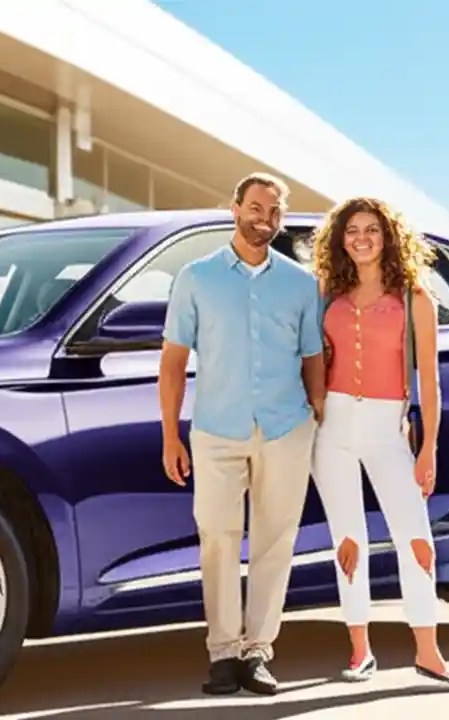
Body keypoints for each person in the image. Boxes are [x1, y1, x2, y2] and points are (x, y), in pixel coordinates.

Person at [158, 172, 326, 696]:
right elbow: (172, 363)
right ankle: (223, 652)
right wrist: (170, 435)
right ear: (234, 208)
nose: (264, 219)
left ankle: (258, 652)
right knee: (218, 538)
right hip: (216, 428)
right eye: (256, 207)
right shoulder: (197, 277)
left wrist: (315, 413)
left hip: (285, 427)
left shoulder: (301, 284)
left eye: (274, 211)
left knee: (276, 541)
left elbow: (313, 356)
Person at [309, 196, 449, 688]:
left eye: (371, 229)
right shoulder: (326, 295)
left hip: (386, 427)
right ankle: (360, 651)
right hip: (330, 428)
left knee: (416, 540)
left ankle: (428, 652)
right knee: (348, 541)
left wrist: (429, 448)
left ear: (388, 236)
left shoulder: (415, 298)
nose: (360, 238)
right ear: (340, 239)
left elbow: (430, 382)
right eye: (351, 230)